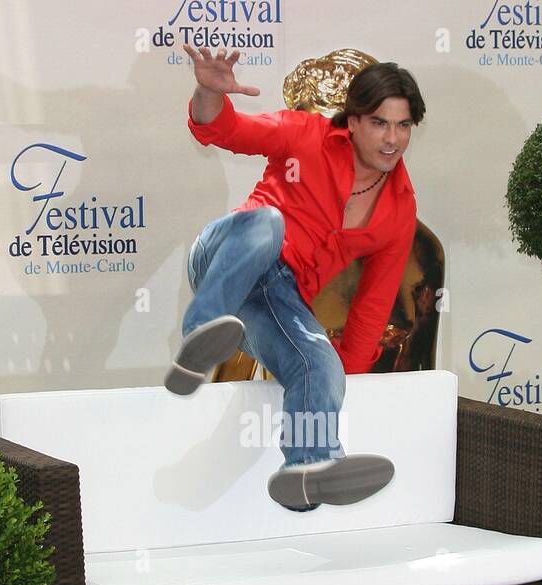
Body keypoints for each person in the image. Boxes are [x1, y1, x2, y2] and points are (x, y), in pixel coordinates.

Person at [169, 45, 424, 512]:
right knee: (268, 223)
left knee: (317, 362)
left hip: (272, 300)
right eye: (379, 123)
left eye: (403, 125)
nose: (393, 139)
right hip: (227, 257)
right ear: (352, 122)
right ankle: (199, 332)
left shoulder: (399, 209)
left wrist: (337, 384)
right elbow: (223, 129)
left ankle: (306, 469)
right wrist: (208, 92)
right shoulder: (304, 134)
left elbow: (372, 304)